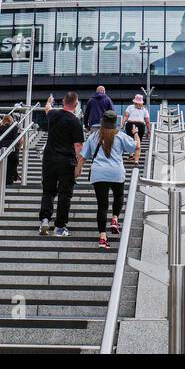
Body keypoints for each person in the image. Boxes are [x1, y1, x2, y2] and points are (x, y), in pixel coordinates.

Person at [83, 110, 140, 250]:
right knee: (119, 195)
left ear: (102, 122)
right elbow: (136, 146)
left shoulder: (94, 136)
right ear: (114, 122)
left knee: (102, 206)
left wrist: (78, 169)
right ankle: (115, 218)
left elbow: (84, 155)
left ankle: (102, 237)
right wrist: (135, 133)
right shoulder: (120, 135)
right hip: (116, 172)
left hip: (99, 173)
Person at [38, 92, 84, 238]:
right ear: (75, 105)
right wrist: (79, 166)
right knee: (65, 194)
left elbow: (47, 108)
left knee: (48, 191)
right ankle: (59, 227)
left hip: (49, 160)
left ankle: (45, 220)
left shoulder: (53, 115)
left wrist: (49, 100)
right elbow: (78, 146)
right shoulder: (76, 122)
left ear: (63, 101)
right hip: (66, 162)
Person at [0, 112, 21, 184]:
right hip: (11, 150)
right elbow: (19, 140)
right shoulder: (15, 128)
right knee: (10, 168)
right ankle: (9, 183)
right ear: (11, 120)